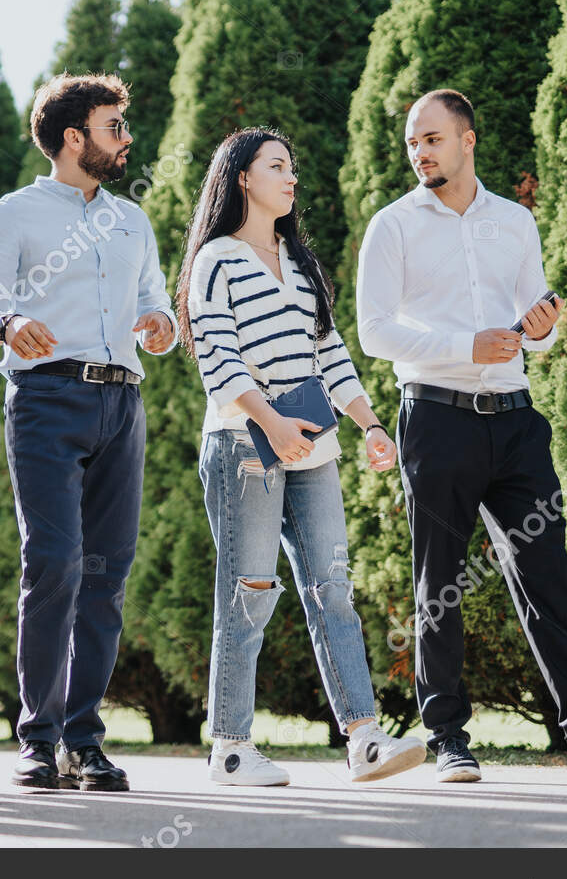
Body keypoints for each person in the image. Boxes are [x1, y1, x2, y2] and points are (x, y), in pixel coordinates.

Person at [356, 88, 567, 783]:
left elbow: (537, 322)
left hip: (514, 419)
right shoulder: (392, 226)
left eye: (433, 139)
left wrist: (543, 327)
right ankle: (448, 737)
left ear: (468, 140)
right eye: (413, 142)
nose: (420, 152)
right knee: (437, 583)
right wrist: (466, 344)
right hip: (435, 417)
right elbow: (374, 328)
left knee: (546, 576)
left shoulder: (513, 222)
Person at [181, 128, 426, 786]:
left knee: (332, 587)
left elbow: (331, 352)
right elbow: (217, 354)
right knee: (248, 592)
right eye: (277, 166)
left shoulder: (300, 260)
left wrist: (371, 423)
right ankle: (230, 748)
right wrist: (269, 418)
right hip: (244, 447)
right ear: (242, 178)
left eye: (292, 166)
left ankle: (364, 738)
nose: (291, 178)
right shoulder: (215, 260)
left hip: (315, 449)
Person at [0, 72, 175, 791]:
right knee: (54, 563)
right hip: (47, 399)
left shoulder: (132, 220)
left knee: (107, 577)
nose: (127, 139)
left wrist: (163, 325)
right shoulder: (14, 215)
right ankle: (38, 739)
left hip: (123, 404)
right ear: (74, 137)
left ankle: (85, 738)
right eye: (115, 126)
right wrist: (9, 324)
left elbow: (155, 302)